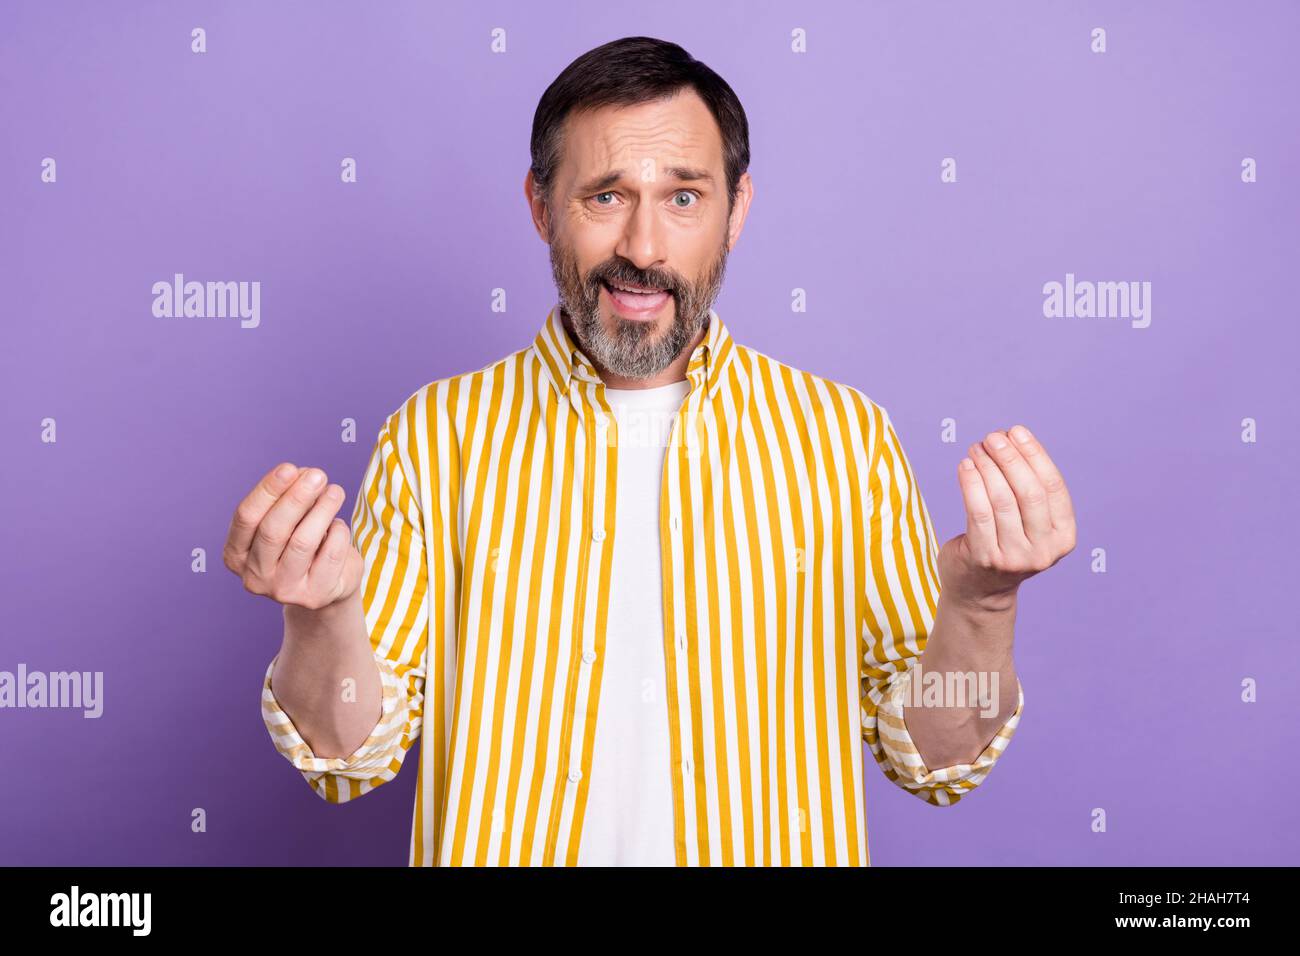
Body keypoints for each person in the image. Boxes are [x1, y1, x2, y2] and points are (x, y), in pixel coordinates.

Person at [223, 36, 1076, 867]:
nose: (643, 248)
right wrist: (320, 616)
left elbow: (933, 758)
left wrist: (981, 608)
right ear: (540, 204)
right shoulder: (436, 435)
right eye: (604, 196)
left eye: (683, 197)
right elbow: (346, 756)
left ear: (736, 210)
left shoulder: (844, 439)